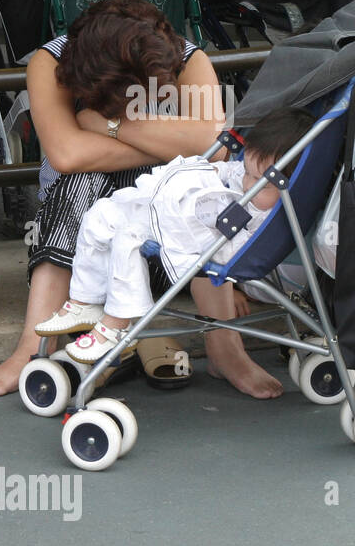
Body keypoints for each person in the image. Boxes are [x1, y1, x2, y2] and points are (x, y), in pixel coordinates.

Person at [0, 0, 285, 399]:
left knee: (198, 183)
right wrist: (173, 144)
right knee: (84, 178)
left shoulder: (188, 61)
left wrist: (108, 127)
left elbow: (217, 147)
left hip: (167, 249)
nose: (127, 106)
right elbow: (68, 156)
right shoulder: (48, 61)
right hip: (83, 253)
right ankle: (31, 347)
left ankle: (226, 348)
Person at [37, 107, 313, 362]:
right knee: (101, 213)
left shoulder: (264, 217)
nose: (248, 182)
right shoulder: (251, 178)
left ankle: (117, 324)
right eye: (249, 173)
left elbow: (229, 249)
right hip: (176, 217)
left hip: (197, 238)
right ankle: (84, 300)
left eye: (260, 183)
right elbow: (231, 170)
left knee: (127, 240)